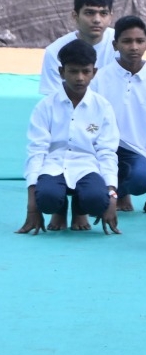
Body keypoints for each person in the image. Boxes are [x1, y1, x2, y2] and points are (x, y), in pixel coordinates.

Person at [18, 39, 119, 235]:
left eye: (85, 71)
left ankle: (80, 209)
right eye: (73, 71)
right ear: (61, 72)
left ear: (94, 73)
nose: (80, 78)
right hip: (53, 165)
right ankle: (59, 209)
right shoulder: (45, 106)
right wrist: (33, 206)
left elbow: (107, 152)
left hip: (87, 166)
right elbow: (36, 151)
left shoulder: (103, 107)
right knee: (47, 198)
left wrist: (112, 196)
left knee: (98, 201)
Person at [91, 15, 146, 213]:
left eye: (139, 41)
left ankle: (114, 191)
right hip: (100, 148)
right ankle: (109, 192)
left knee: (141, 180)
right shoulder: (99, 79)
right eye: (127, 41)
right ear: (115, 45)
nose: (134, 47)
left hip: (134, 152)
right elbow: (88, 123)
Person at [39, 0, 117, 95]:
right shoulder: (55, 52)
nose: (97, 20)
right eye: (89, 13)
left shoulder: (122, 45)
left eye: (103, 13)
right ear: (75, 16)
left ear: (111, 17)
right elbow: (54, 100)